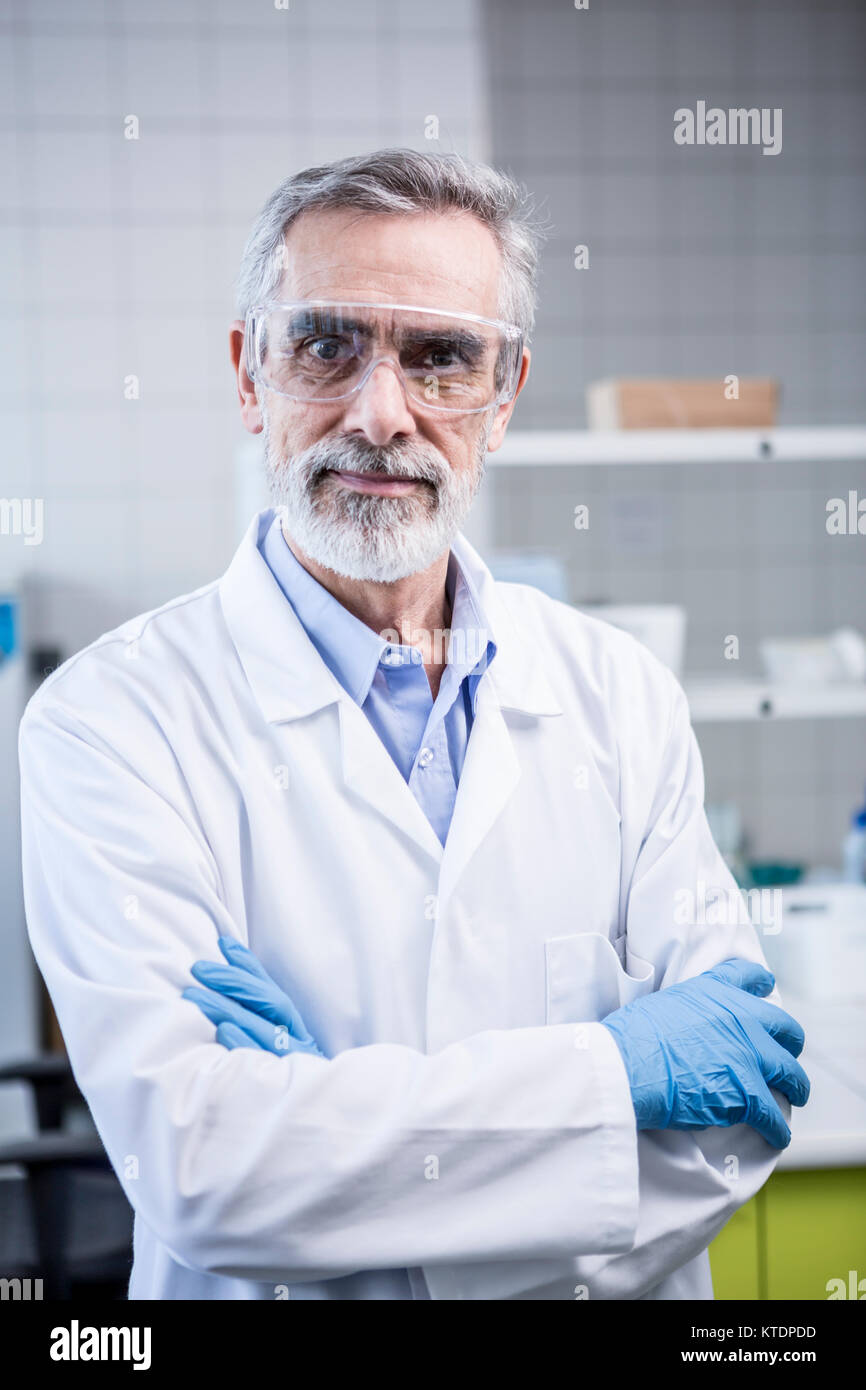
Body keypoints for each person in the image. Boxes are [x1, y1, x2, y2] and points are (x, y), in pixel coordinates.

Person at [18, 148, 809, 1301]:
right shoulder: (110, 722)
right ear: (250, 374)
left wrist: (333, 1127)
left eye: (439, 357)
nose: (380, 415)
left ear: (504, 399)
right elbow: (201, 1169)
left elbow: (731, 1132)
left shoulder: (617, 694)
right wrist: (608, 1081)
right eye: (326, 345)